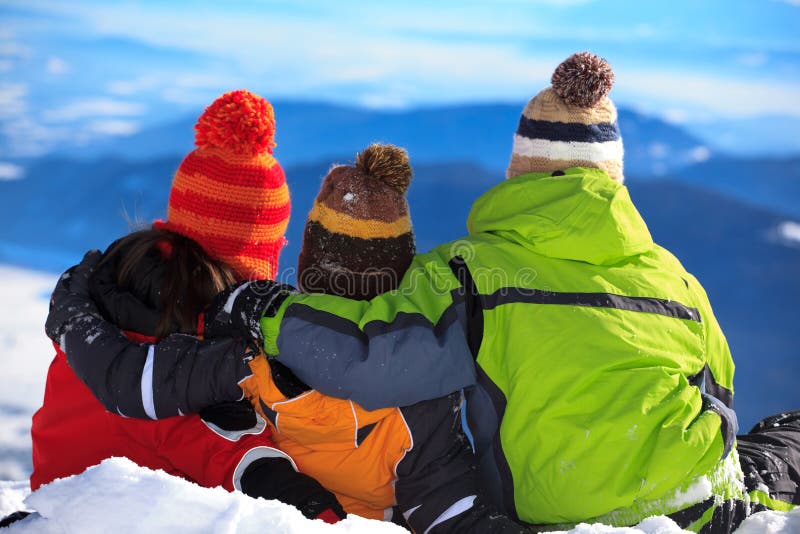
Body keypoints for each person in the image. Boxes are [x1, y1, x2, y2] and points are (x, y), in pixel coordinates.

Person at [47, 53, 800, 533]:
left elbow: (376, 359)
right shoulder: (680, 280)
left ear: (522, 173)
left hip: (551, 503)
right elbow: (716, 397)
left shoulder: (473, 270)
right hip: (698, 495)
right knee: (770, 457)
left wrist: (264, 312)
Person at [28, 90, 345, 524]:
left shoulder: (103, 295)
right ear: (255, 253)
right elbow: (214, 444)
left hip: (54, 505)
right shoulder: (199, 348)